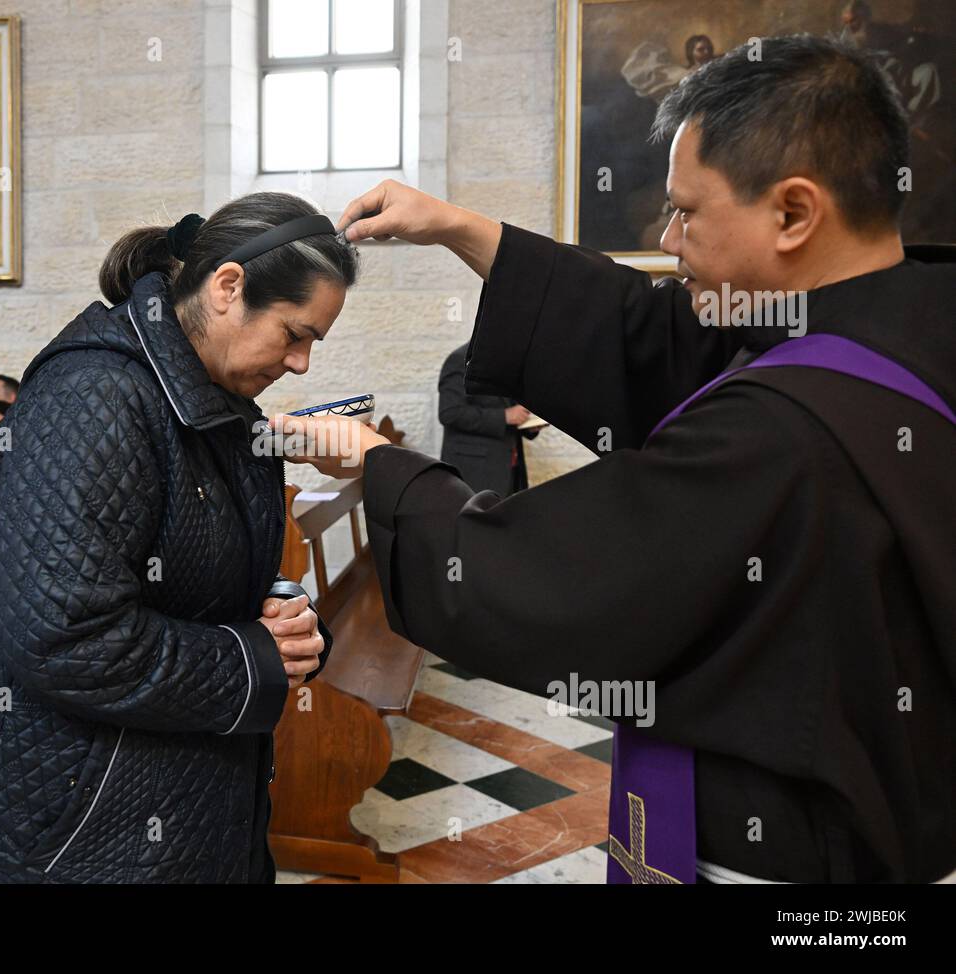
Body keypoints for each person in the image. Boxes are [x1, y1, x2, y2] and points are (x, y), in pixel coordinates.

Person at [275, 36, 956, 883]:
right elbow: (654, 332)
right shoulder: (906, 324)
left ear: (792, 212)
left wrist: (379, 465)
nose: (665, 238)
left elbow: (558, 577)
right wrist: (458, 228)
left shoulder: (787, 432)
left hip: (802, 852)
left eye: (686, 212)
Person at [0, 192, 357, 883]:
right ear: (227, 288)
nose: (303, 362)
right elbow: (64, 636)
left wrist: (281, 610)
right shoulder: (94, 398)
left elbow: (204, 565)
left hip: (163, 800)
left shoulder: (215, 397)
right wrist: (251, 656)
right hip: (62, 822)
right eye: (295, 333)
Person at [438, 342, 536, 496]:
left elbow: (511, 406)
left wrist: (528, 424)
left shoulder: (506, 362)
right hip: (475, 474)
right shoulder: (459, 360)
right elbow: (449, 413)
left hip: (510, 471)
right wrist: (505, 417)